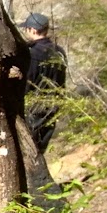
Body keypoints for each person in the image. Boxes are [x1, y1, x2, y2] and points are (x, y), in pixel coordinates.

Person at [19, 11, 67, 156]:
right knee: (39, 151)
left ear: (32, 30)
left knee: (29, 152)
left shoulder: (32, 54)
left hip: (33, 108)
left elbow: (27, 82)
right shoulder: (59, 52)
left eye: (26, 28)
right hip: (52, 107)